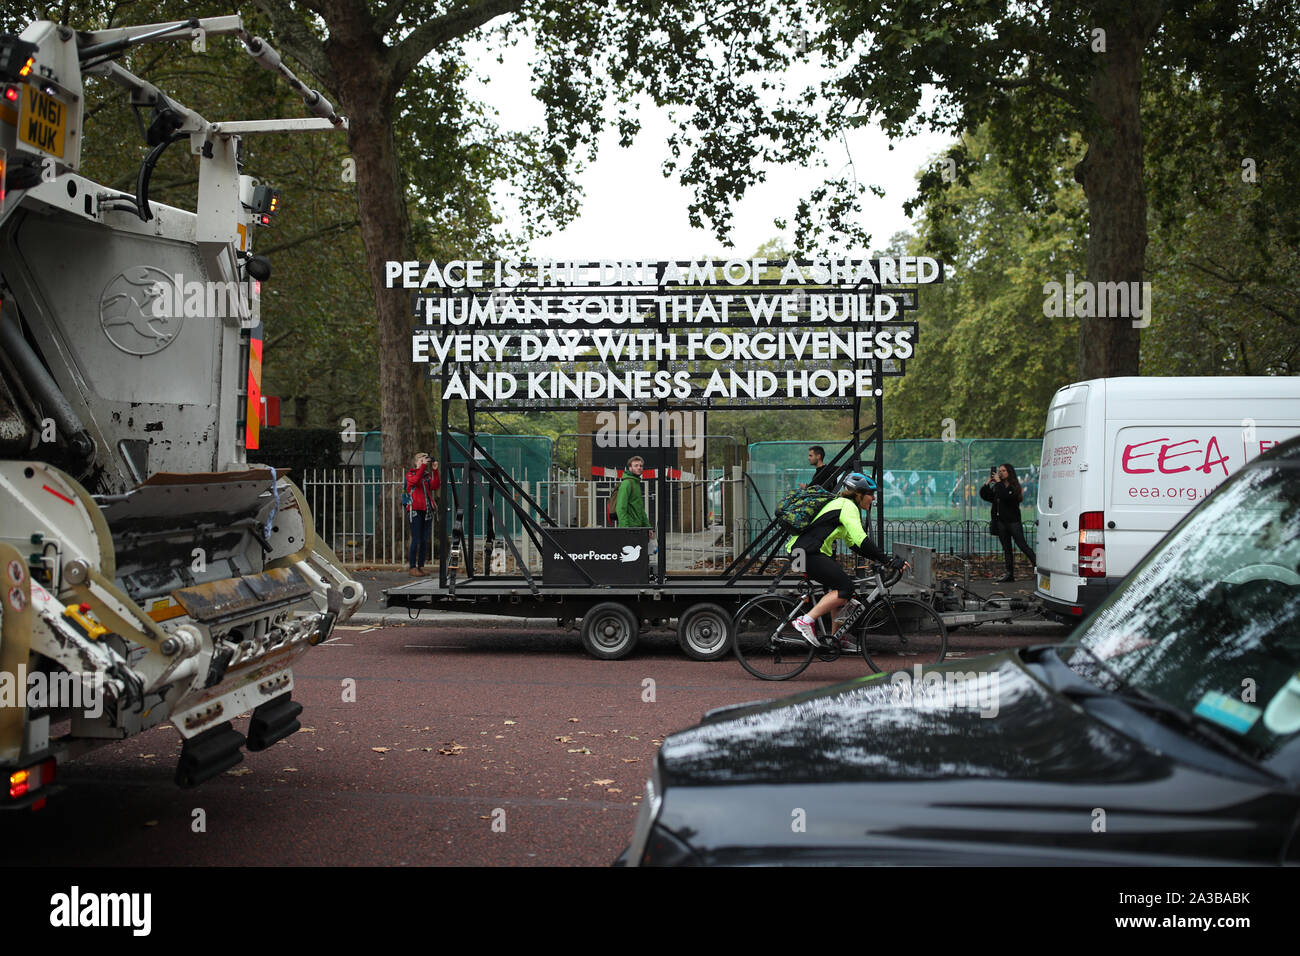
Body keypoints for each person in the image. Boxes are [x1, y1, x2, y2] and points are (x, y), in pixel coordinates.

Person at [786, 472, 907, 648]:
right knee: (845, 588)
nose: (873, 499)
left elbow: (853, 544)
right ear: (859, 494)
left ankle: (836, 638)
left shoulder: (842, 505)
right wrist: (888, 560)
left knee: (843, 590)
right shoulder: (848, 506)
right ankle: (805, 620)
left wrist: (877, 558)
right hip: (805, 553)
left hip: (803, 553)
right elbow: (861, 539)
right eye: (870, 494)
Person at [981, 462, 1036, 582]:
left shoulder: (1014, 487)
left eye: (1003, 470)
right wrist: (988, 482)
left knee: (1022, 545)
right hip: (1001, 522)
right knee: (1007, 549)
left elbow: (1005, 496)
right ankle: (1009, 573)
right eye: (1000, 471)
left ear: (1009, 472)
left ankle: (1037, 566)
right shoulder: (998, 486)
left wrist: (999, 483)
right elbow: (986, 496)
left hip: (1013, 521)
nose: (1001, 473)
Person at [405, 452, 440, 576]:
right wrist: (422, 467)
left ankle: (421, 566)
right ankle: (412, 567)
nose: (423, 461)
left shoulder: (426, 476)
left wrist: (435, 471)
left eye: (425, 459)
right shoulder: (410, 474)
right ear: (415, 462)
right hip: (414, 509)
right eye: (420, 459)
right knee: (416, 539)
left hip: (427, 510)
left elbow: (435, 485)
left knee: (424, 540)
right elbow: (414, 482)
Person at [615, 455, 655, 552]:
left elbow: (640, 509)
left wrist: (648, 527)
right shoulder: (627, 484)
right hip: (629, 529)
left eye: (641, 466)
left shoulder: (636, 483)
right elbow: (620, 508)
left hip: (638, 528)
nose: (639, 467)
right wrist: (625, 530)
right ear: (630, 468)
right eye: (636, 465)